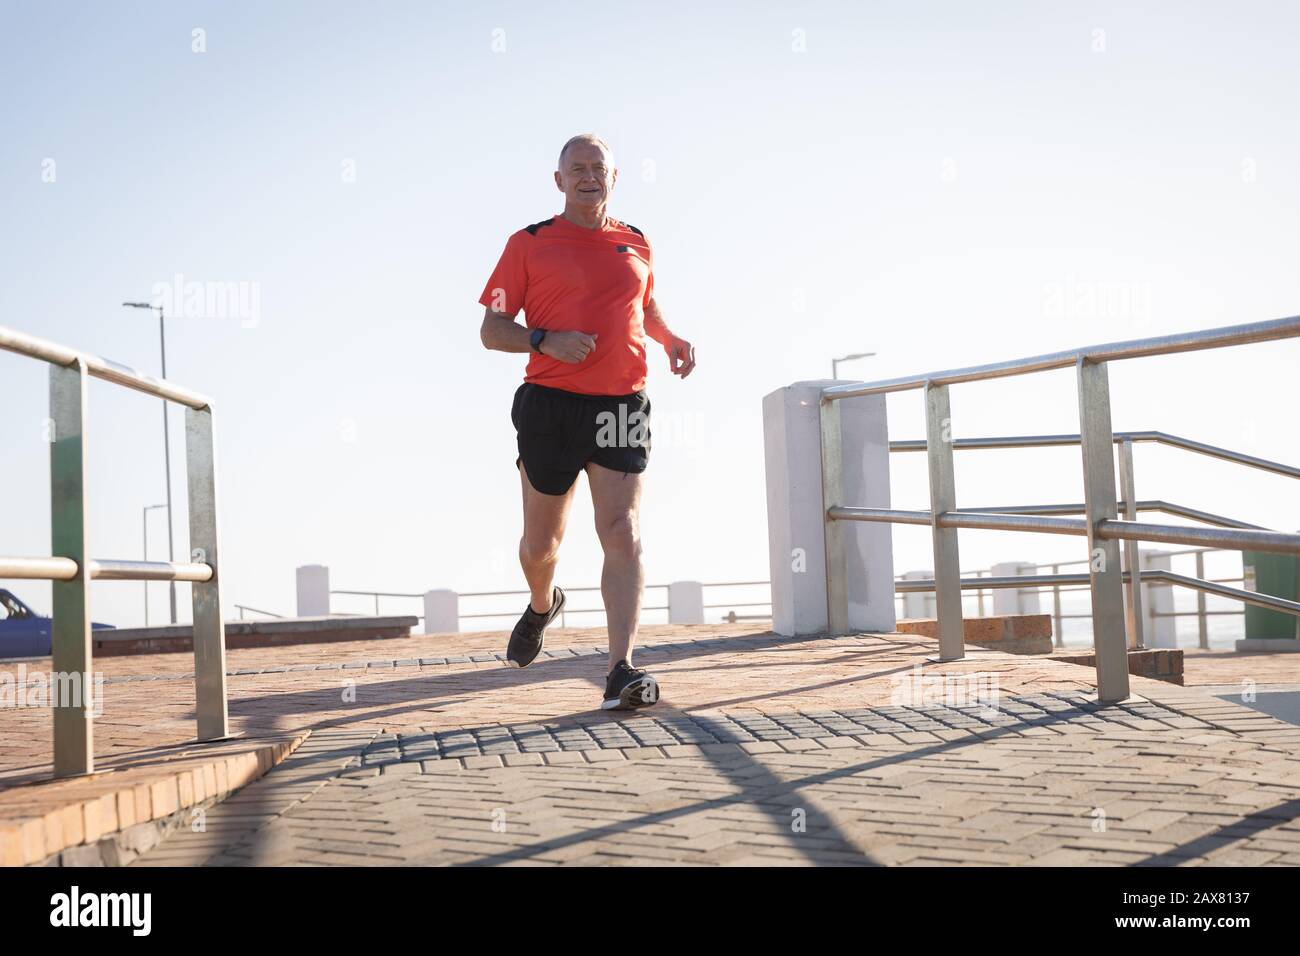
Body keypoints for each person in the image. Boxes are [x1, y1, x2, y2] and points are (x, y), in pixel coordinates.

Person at [478, 133, 696, 710]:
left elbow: (644, 307)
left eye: (598, 168)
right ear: (558, 180)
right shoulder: (528, 244)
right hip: (550, 404)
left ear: (614, 178)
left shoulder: (636, 241)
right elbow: (491, 330)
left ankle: (620, 668)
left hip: (622, 403)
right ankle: (543, 603)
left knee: (621, 530)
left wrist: (669, 338)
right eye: (577, 168)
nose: (588, 176)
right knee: (540, 544)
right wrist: (546, 339)